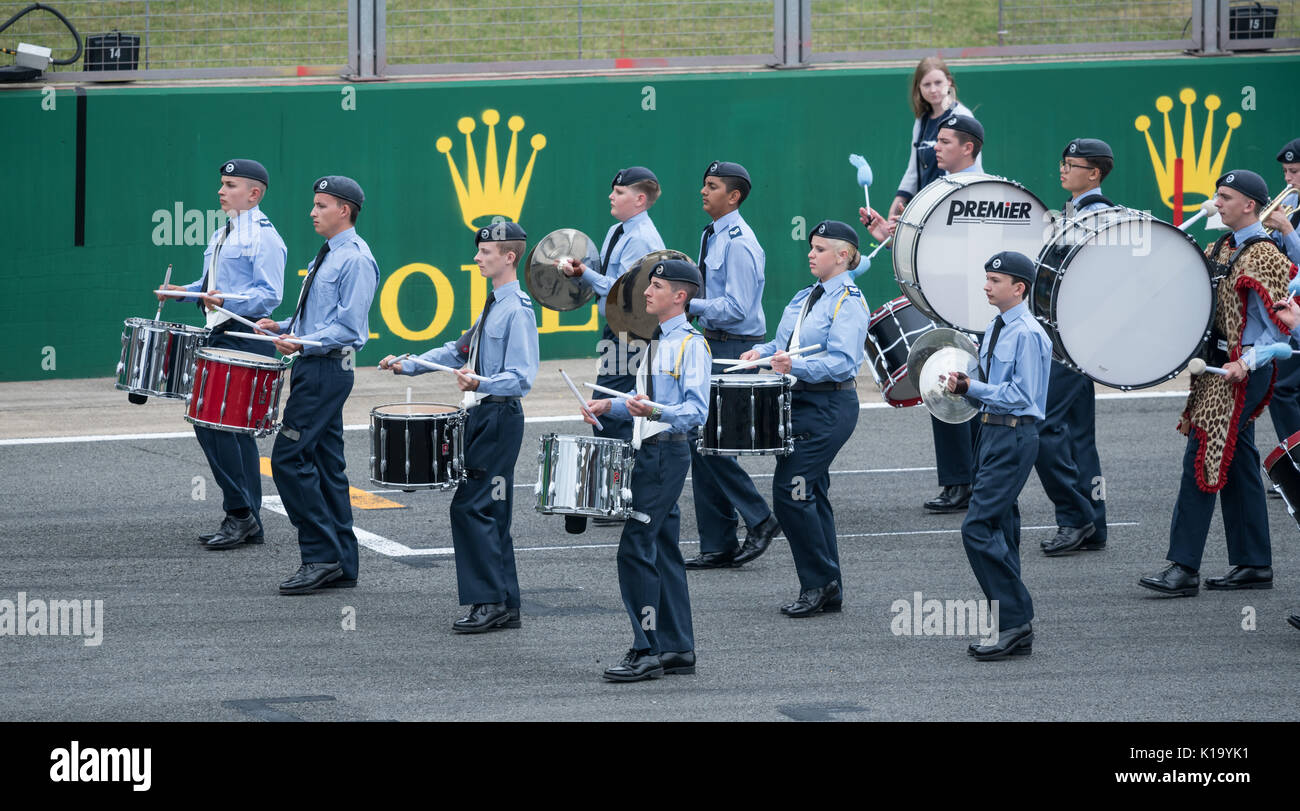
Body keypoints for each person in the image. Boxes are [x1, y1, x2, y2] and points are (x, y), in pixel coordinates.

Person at [1139, 170, 1293, 598]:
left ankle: (1183, 566)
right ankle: (1254, 561)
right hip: (1219, 366)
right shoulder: (1221, 246)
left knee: (1203, 453)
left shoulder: (1266, 256)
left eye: (1225, 197)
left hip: (1242, 373)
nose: (1217, 202)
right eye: (1217, 195)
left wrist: (1247, 362)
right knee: (1238, 459)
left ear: (1250, 205)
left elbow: (1279, 332)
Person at [380, 221, 539, 632]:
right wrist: (408, 364)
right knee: (490, 509)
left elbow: (522, 377)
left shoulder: (517, 309)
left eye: (486, 252)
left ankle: (488, 602)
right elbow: (458, 350)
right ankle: (504, 603)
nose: (477, 257)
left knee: (473, 507)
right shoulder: (493, 305)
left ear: (509, 257)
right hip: (487, 414)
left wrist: (481, 381)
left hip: (499, 415)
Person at [583, 258, 711, 681]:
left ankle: (647, 648)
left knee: (635, 551)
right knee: (662, 549)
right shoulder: (658, 339)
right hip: (652, 449)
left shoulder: (691, 344)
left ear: (680, 296)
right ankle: (676, 647)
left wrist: (652, 409)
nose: (648, 291)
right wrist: (609, 405)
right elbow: (644, 400)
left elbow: (695, 412)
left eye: (657, 286)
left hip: (664, 454)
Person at [738, 220, 869, 617]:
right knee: (811, 493)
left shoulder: (849, 301)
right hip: (798, 401)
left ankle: (819, 582)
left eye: (820, 248)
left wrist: (792, 366)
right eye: (811, 247)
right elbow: (785, 344)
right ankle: (829, 585)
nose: (810, 253)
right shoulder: (806, 296)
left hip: (829, 406)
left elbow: (842, 361)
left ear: (843, 256)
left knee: (790, 492)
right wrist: (760, 354)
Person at [256, 176, 378, 595]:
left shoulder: (356, 258)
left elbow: (348, 327)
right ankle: (342, 562)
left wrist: (302, 340)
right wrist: (286, 326)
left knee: (288, 459)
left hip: (326, 369)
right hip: (315, 365)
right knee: (327, 466)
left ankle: (320, 555)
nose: (313, 212)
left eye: (321, 205)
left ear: (344, 210)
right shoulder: (329, 254)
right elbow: (320, 319)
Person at [156, 159, 286, 550]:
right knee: (225, 428)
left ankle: (241, 514)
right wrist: (185, 291)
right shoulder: (224, 232)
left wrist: (224, 299)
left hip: (242, 335)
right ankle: (247, 516)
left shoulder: (265, 238)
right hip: (219, 332)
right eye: (222, 184)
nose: (221, 191)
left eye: (230, 185)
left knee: (216, 425)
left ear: (254, 193)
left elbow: (270, 294)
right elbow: (212, 284)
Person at [864, 114, 986, 514]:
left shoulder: (988, 191)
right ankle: (958, 482)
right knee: (946, 388)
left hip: (977, 308)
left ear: (968, 148)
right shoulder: (936, 189)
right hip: (944, 304)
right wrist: (887, 235)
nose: (936, 146)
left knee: (974, 392)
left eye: (946, 141)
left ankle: (975, 482)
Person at [941, 251, 1051, 660]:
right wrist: (960, 381)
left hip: (1014, 434)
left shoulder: (1028, 333)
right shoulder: (996, 326)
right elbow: (989, 381)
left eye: (995, 280)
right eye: (987, 278)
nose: (987, 286)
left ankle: (1016, 620)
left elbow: (1023, 395)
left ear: (1019, 288)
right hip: (991, 432)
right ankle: (1012, 624)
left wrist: (971, 388)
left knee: (977, 528)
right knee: (1001, 529)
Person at [684, 160, 781, 568]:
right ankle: (717, 543)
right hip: (714, 344)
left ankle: (759, 518)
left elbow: (738, 308)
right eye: (704, 184)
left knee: (708, 441)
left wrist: (688, 305)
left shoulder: (738, 241)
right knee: (702, 443)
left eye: (712, 186)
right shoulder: (713, 234)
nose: (704, 191)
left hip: (735, 347)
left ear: (734, 196)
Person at [1034, 138, 1115, 556]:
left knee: (1040, 425)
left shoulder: (1097, 218)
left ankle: (1075, 516)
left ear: (1094, 173)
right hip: (1076, 337)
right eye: (1062, 162)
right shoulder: (1077, 213)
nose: (1063, 170)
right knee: (1079, 433)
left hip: (1076, 338)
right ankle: (1094, 523)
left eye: (1071, 164)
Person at [563, 167, 665, 447]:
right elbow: (602, 277)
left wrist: (583, 272)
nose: (611, 196)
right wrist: (574, 271)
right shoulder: (617, 230)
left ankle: (623, 479)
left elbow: (626, 292)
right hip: (617, 333)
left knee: (612, 412)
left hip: (632, 337)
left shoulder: (641, 237)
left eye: (619, 192)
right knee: (608, 408)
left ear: (640, 200)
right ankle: (621, 478)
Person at [883, 56, 984, 228]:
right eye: (927, 85)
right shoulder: (921, 121)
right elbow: (913, 171)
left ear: (949, 82)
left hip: (953, 209)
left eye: (938, 82)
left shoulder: (962, 116)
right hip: (925, 209)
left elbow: (972, 168)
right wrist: (895, 208)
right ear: (918, 88)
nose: (933, 89)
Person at [1265, 137, 1300, 446]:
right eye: (1286, 172)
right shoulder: (1291, 206)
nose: (1287, 179)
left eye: (1294, 171)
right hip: (1291, 307)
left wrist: (1287, 232)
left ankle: (1294, 465)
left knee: (1283, 388)